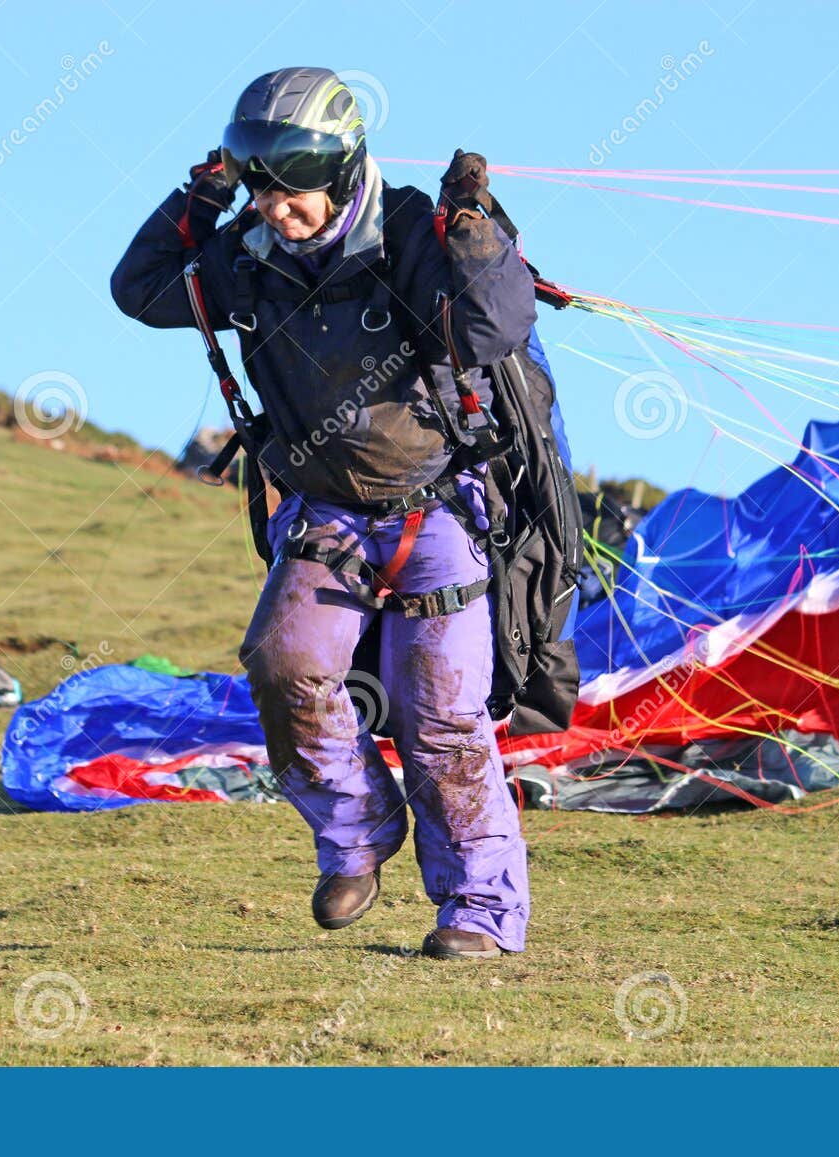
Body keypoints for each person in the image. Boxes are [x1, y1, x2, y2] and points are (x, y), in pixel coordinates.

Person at [111, 67, 538, 960]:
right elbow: (141, 288)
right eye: (259, 191)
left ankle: (479, 910)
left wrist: (475, 229)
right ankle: (356, 832)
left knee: (444, 719)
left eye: (288, 192)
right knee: (281, 665)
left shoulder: (413, 234)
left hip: (436, 513)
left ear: (341, 173)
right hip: (324, 514)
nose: (273, 210)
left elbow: (497, 329)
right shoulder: (247, 259)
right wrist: (201, 196)